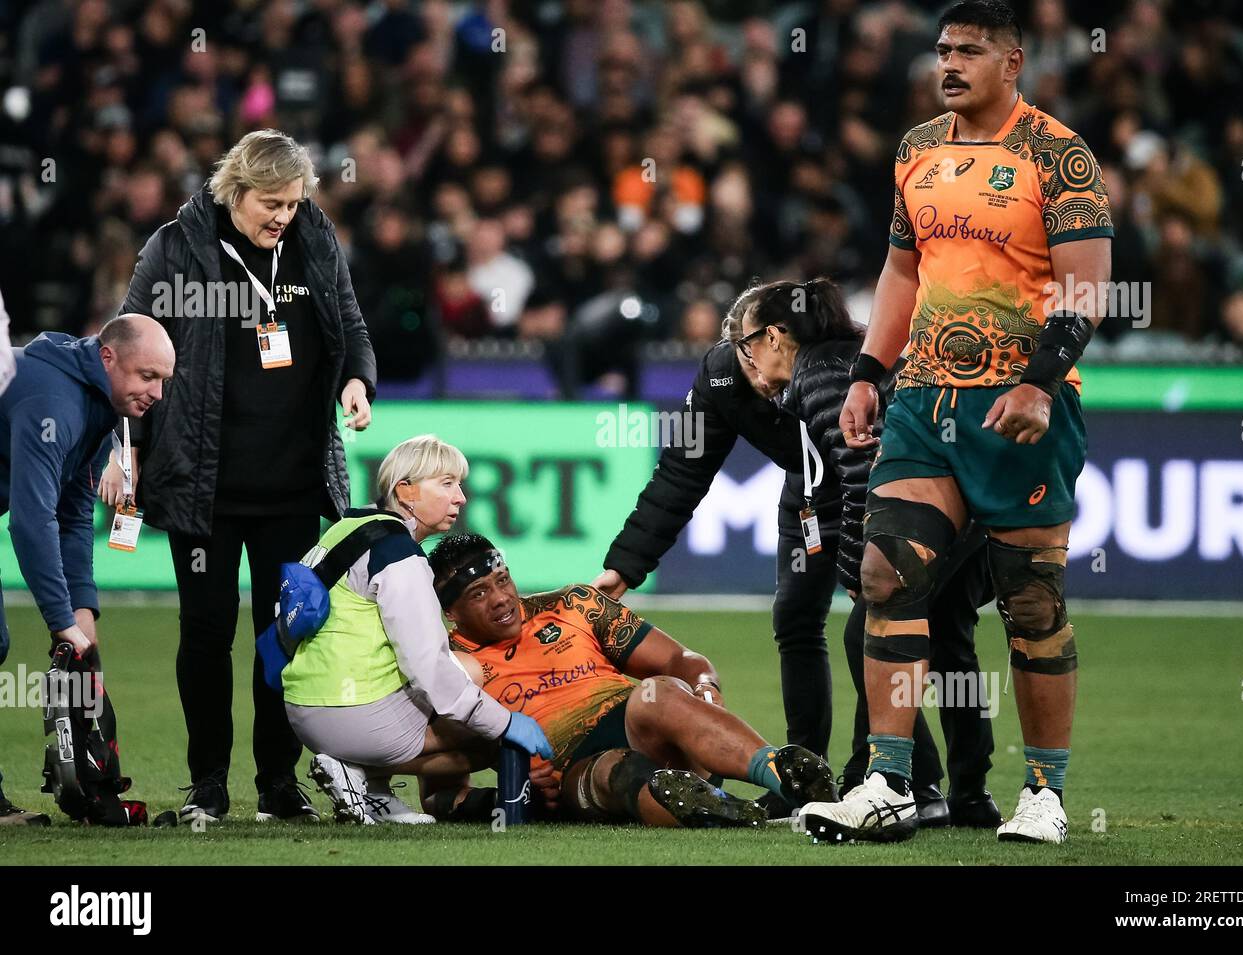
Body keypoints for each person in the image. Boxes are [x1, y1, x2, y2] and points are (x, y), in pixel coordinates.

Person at [801, 0, 1110, 844]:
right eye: (943, 49)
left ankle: (1043, 793)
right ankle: (888, 782)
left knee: (1031, 602)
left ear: (1012, 62)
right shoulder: (917, 150)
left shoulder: (1059, 156)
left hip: (1022, 408)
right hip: (924, 400)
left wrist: (1041, 382)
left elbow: (1087, 286)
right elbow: (901, 271)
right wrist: (869, 371)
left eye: (969, 51)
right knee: (884, 577)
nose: (949, 63)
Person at [599, 279, 999, 828]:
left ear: (775, 336)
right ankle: (806, 775)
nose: (751, 367)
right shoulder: (726, 376)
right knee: (798, 619)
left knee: (894, 631)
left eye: (749, 346)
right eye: (739, 352)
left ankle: (902, 781)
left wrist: (860, 564)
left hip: (909, 496)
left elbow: (866, 471)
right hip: (814, 496)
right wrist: (627, 563)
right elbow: (683, 471)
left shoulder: (842, 370)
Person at [116, 129, 378, 824]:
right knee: (205, 631)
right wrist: (128, 450)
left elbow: (348, 323)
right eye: (271, 203)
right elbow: (129, 351)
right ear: (234, 189)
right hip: (203, 481)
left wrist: (356, 378)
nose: (283, 217)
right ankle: (207, 783)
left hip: (293, 480)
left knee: (283, 632)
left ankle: (277, 783)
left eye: (293, 204)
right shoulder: (173, 248)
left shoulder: (317, 242)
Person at [434, 533, 840, 828]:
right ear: (451, 612)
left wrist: (705, 693)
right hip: (574, 770)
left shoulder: (574, 605)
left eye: (502, 580)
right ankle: (735, 814)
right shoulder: (447, 668)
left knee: (657, 691)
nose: (501, 598)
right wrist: (513, 789)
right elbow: (438, 795)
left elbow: (681, 660)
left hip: (648, 726)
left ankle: (787, 775)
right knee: (616, 770)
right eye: (478, 594)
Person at [284, 436, 553, 825]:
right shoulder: (400, 556)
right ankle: (357, 772)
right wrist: (506, 723)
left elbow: (286, 613)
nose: (460, 497)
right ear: (405, 491)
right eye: (446, 484)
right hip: (354, 716)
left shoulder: (347, 526)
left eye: (459, 485)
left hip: (302, 707)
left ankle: (373, 792)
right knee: (483, 735)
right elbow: (428, 666)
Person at [0, 313, 174, 826]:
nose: (158, 394)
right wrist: (60, 622)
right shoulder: (53, 403)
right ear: (108, 358)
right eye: (148, 376)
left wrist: (83, 621)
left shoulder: (100, 406)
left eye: (163, 380)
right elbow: (31, 522)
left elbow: (73, 515)